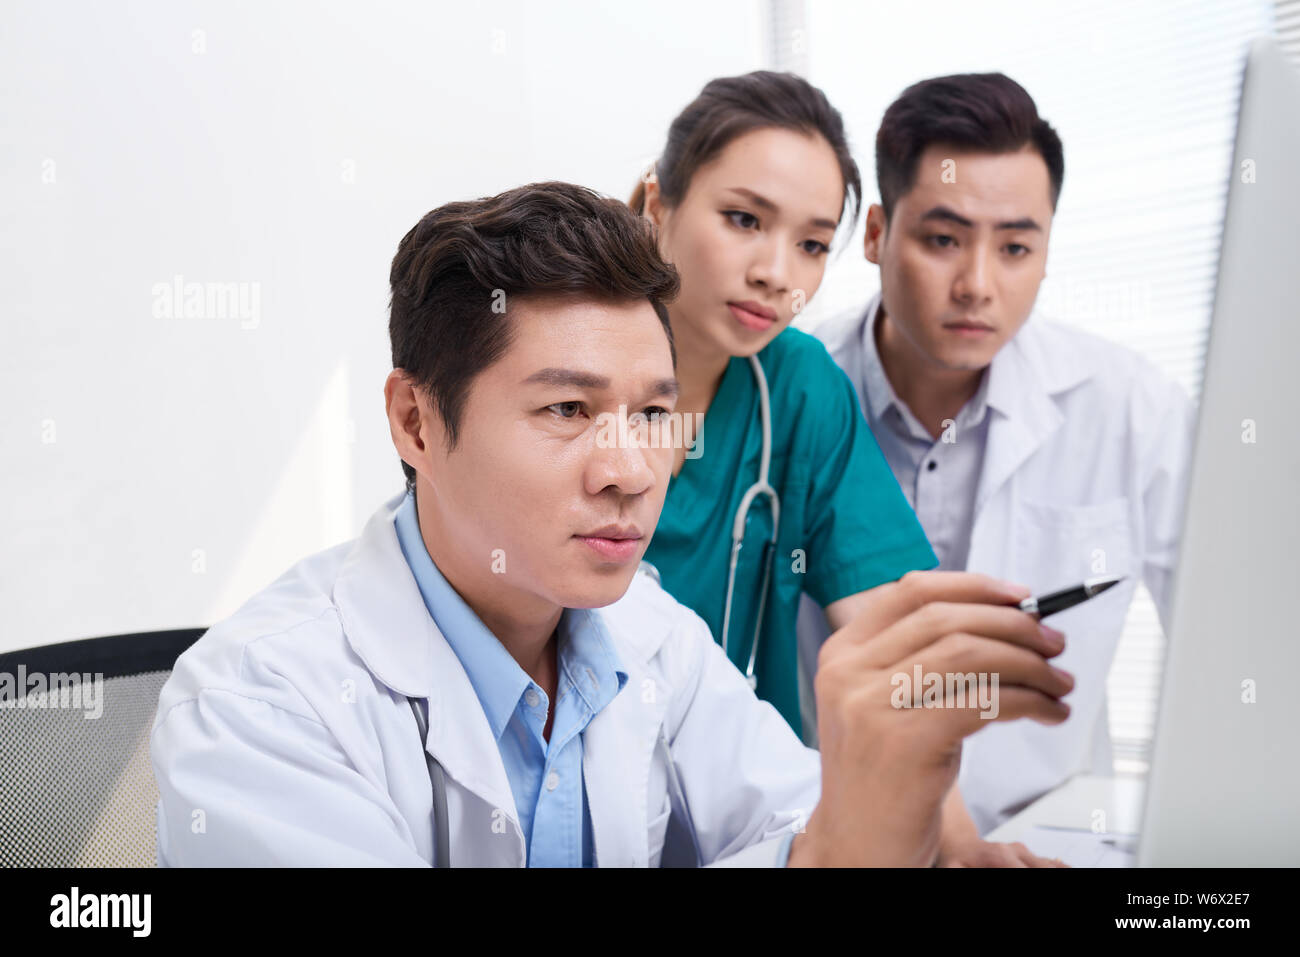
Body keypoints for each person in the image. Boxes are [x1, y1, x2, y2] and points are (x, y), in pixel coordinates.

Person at [150, 180, 1075, 867]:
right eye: (565, 411)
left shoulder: (647, 628)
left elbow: (792, 826)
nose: (632, 471)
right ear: (416, 422)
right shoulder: (260, 704)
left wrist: (876, 812)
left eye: (655, 415)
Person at [809, 73, 1195, 849]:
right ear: (878, 234)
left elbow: (1234, 632)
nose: (978, 285)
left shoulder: (1129, 407)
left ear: (1047, 251)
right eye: (943, 239)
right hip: (837, 840)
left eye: (1016, 247)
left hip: (1048, 837)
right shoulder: (795, 391)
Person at [630, 72, 937, 742]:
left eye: (811, 245)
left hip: (730, 810)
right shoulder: (557, 370)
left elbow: (894, 647)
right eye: (744, 219)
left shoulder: (799, 389)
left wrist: (960, 840)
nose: (777, 273)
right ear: (659, 204)